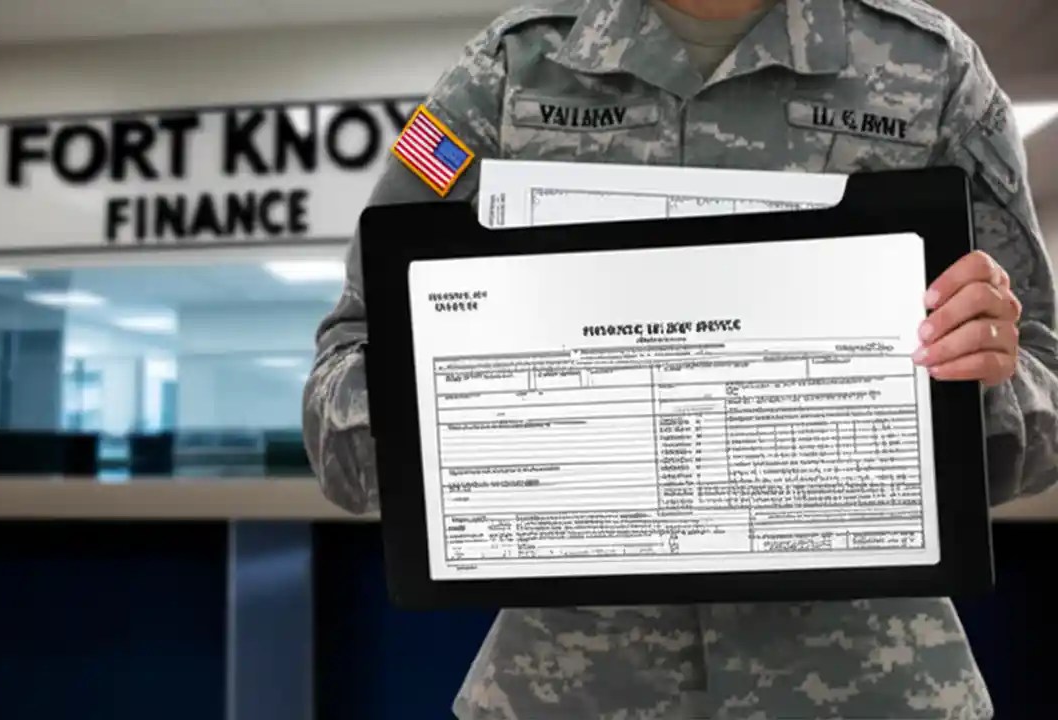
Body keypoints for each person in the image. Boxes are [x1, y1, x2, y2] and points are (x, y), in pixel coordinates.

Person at [302, 0, 1058, 717]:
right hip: (571, 689)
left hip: (871, 687)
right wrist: (453, 391)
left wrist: (980, 379)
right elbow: (343, 389)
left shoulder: (933, 69)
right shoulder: (507, 73)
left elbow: (1043, 390)